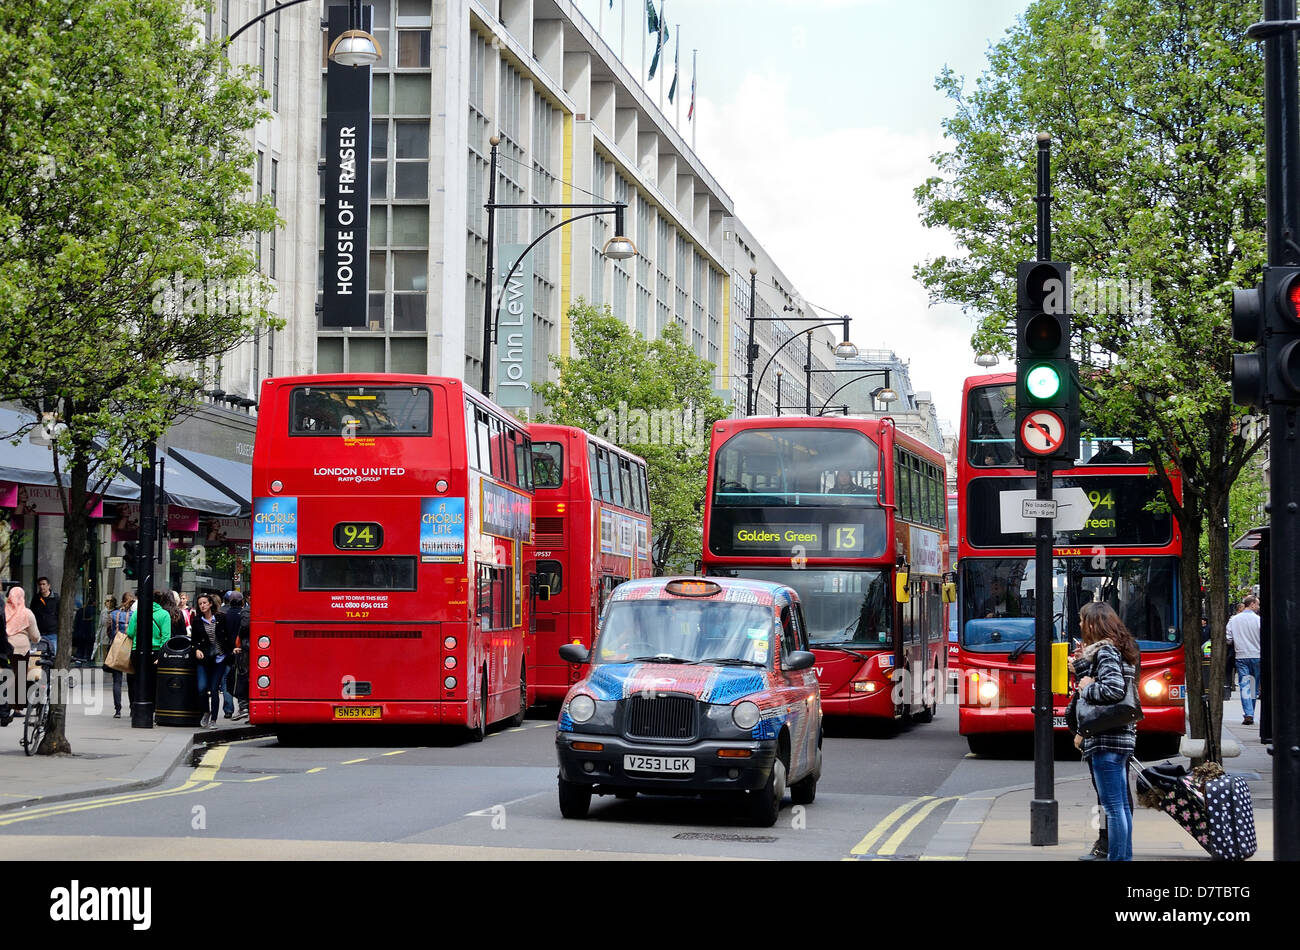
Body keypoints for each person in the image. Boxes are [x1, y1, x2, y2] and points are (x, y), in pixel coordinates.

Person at [1071, 601, 1141, 862]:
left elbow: (1112, 690)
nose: (1079, 625)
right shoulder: (1119, 649)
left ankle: (1118, 858)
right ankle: (1122, 857)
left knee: (1114, 809)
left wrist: (1086, 687)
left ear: (1093, 624)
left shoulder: (1106, 651)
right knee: (1120, 807)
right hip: (1119, 737)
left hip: (1106, 738)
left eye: (1082, 620)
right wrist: (1082, 670)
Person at [125, 592, 172, 710]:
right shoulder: (164, 614)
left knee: (135, 680)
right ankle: (152, 707)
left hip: (137, 651)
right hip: (156, 652)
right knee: (153, 681)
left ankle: (135, 707)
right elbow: (166, 637)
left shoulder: (137, 613)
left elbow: (130, 633)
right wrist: (161, 655)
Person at [190, 593, 231, 728]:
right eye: (200, 603)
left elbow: (228, 635)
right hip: (204, 659)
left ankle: (213, 719)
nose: (202, 605)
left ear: (210, 604)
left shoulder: (221, 618)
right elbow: (194, 640)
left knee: (214, 690)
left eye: (204, 603)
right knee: (201, 688)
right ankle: (206, 712)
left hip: (219, 659)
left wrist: (232, 650)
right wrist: (196, 650)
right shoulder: (196, 620)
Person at [1226, 595, 1262, 726]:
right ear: (1252, 604)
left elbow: (1228, 638)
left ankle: (1249, 713)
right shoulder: (1258, 620)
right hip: (1257, 655)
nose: (1258, 607)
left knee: (1246, 685)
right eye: (1257, 604)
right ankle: (1249, 712)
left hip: (1241, 655)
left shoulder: (1234, 620)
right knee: (1253, 686)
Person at [103, 593, 133, 718]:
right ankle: (133, 708)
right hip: (130, 648)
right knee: (132, 681)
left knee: (117, 680)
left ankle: (118, 710)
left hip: (116, 647)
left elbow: (109, 631)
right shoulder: (134, 616)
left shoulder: (113, 614)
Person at [222, 592, 246, 719]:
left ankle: (228, 709)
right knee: (242, 679)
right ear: (242, 601)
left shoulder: (224, 614)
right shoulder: (245, 614)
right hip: (243, 651)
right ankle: (243, 706)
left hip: (229, 651)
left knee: (226, 680)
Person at [5, 586, 40, 658]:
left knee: (5, 669)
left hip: (5, 650)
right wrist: (37, 640)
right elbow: (35, 636)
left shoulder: (2, 612)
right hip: (22, 652)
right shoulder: (27, 613)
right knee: (21, 669)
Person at [32, 576, 59, 656]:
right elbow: (32, 614)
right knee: (38, 656)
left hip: (52, 633)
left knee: (52, 656)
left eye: (44, 584)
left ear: (48, 586)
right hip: (39, 634)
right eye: (40, 584)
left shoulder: (56, 598)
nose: (41, 586)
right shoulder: (36, 598)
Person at [72, 596, 96, 666]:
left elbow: (76, 623)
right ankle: (87, 662)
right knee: (89, 651)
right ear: (94, 602)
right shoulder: (94, 611)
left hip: (80, 633)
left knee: (80, 650)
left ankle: (79, 662)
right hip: (90, 633)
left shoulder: (80, 611)